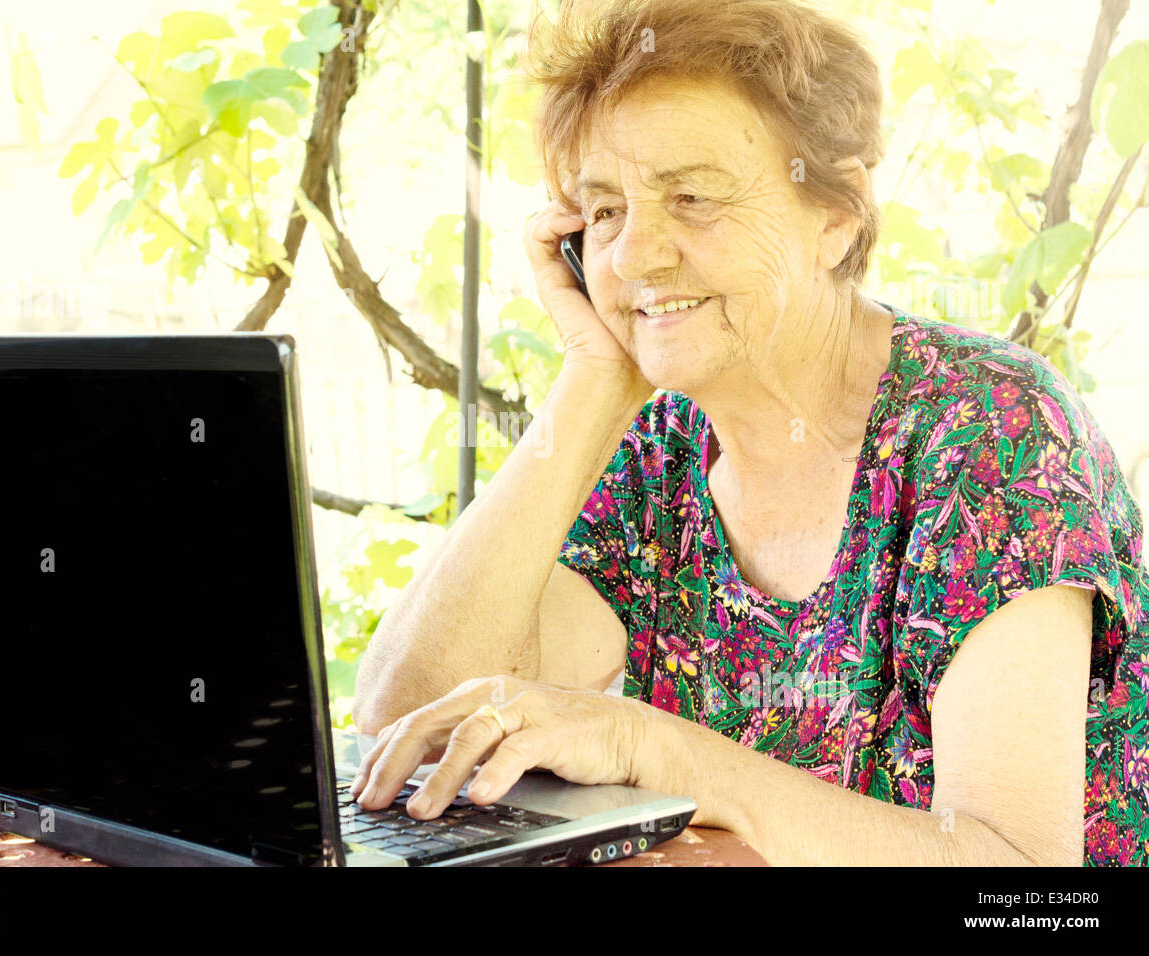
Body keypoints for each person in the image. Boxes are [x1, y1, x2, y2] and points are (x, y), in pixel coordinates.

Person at [349, 0, 1149, 866]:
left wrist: (654, 746)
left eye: (691, 196)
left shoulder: (992, 429)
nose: (635, 256)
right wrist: (592, 383)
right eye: (606, 209)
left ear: (837, 212)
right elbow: (413, 735)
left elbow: (1022, 882)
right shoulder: (657, 449)